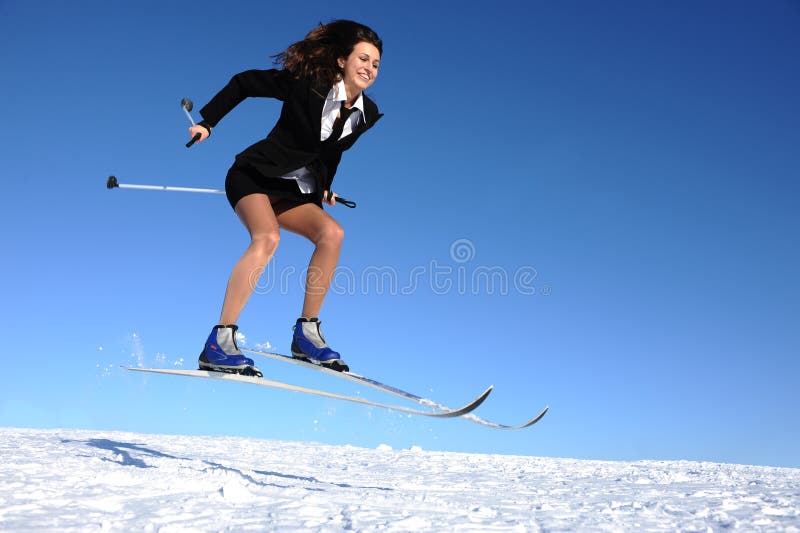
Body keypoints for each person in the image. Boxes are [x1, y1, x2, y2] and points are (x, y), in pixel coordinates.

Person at [189, 20, 383, 376]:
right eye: (363, 59)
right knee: (268, 237)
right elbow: (245, 83)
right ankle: (219, 341)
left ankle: (306, 334)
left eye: (376, 64)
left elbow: (331, 151)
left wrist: (323, 187)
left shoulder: (365, 114)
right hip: (252, 176)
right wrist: (208, 121)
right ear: (342, 60)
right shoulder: (308, 84)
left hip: (291, 189)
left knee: (332, 234)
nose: (369, 68)